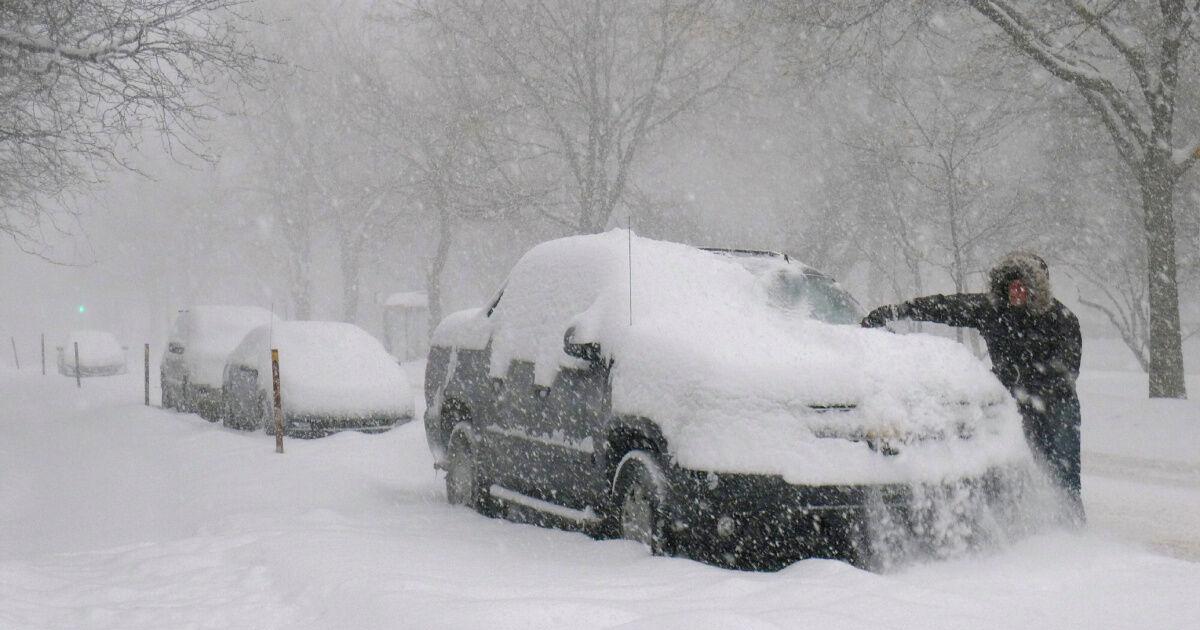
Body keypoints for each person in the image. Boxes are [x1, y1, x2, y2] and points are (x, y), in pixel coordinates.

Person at [860, 252, 1084, 521]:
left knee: (1063, 473)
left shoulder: (1062, 319)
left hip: (1057, 406)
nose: (1016, 290)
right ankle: (1028, 525)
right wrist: (897, 311)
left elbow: (1067, 373)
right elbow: (944, 307)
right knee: (1020, 470)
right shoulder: (992, 310)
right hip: (1014, 405)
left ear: (1038, 289)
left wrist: (1022, 378)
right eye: (1011, 284)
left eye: (1023, 284)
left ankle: (1072, 526)